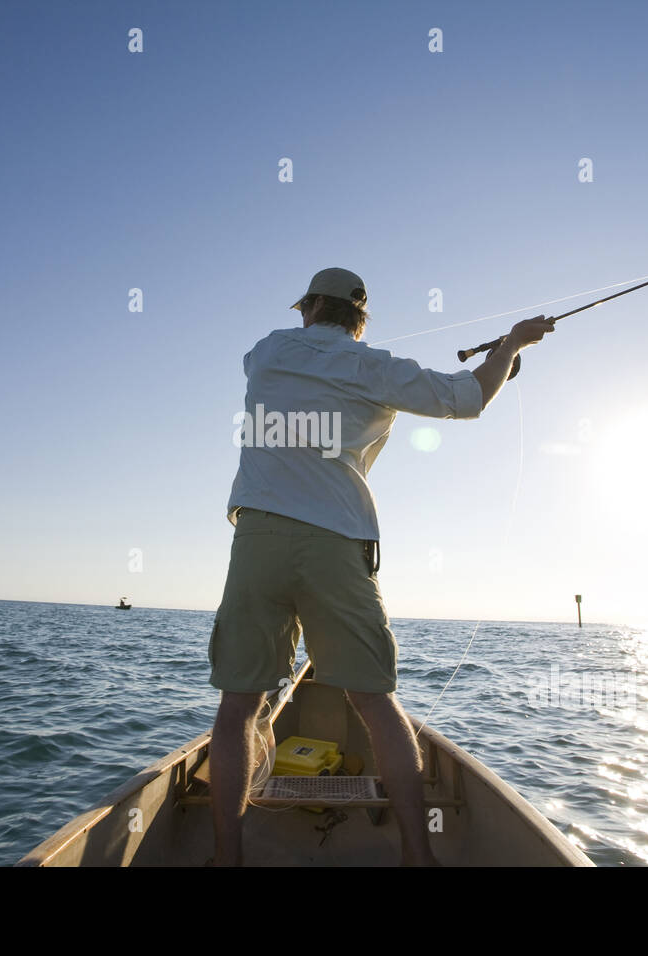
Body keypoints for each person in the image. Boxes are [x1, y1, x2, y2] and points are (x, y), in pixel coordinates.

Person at [207, 267, 555, 865]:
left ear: (311, 306)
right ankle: (418, 856)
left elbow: (299, 364)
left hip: (258, 537)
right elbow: (467, 398)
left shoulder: (265, 353)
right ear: (360, 317)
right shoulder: (375, 368)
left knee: (239, 706)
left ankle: (228, 858)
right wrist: (510, 347)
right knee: (375, 702)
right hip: (336, 540)